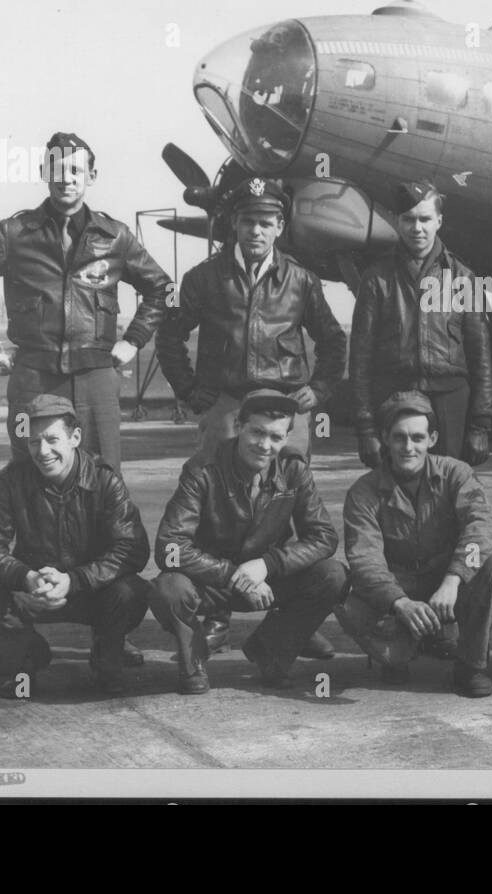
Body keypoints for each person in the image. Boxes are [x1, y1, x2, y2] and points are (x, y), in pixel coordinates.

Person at [156, 176, 347, 658]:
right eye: (247, 222)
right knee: (218, 504)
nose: (255, 231)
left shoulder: (301, 280)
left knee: (287, 504)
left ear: (280, 225)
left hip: (285, 408)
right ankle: (216, 610)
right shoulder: (203, 278)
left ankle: (295, 616)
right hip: (227, 405)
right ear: (233, 225)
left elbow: (333, 340)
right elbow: (169, 335)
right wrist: (190, 391)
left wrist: (318, 391)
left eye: (265, 222)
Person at [0, 131, 172, 473]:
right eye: (58, 170)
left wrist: (134, 339)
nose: (67, 179)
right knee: (27, 469)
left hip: (96, 379)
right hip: (31, 380)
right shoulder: (13, 234)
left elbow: (165, 289)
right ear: (43, 173)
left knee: (102, 475)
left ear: (91, 177)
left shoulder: (116, 237)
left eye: (76, 171)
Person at [147, 387, 347, 695]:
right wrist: (232, 575)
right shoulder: (203, 469)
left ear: (286, 439)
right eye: (257, 433)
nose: (265, 446)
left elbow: (324, 537)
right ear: (239, 427)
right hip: (211, 581)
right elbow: (170, 546)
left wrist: (268, 564)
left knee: (333, 575)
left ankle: (272, 651)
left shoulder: (293, 469)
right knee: (169, 589)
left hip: (268, 578)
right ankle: (194, 657)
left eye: (276, 438)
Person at [0, 395, 150, 698]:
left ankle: (106, 657)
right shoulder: (13, 479)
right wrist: (26, 577)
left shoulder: (105, 480)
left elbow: (132, 549)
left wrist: (74, 581)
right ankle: (26, 656)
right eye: (34, 442)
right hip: (34, 591)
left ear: (75, 438)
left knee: (132, 591)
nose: (42, 452)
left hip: (90, 593)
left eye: (52, 439)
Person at [337, 391, 492, 697]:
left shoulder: (456, 473)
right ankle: (401, 646)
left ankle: (471, 664)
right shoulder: (363, 491)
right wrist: (399, 601)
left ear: (432, 438)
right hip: (398, 582)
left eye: (417, 438)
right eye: (399, 438)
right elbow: (365, 559)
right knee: (347, 597)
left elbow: (482, 527)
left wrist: (454, 578)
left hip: (445, 579)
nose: (408, 447)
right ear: (385, 439)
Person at [350, 180, 492, 469]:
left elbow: (481, 357)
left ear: (439, 221)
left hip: (450, 401)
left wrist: (480, 426)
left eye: (425, 219)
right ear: (397, 221)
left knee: (448, 491)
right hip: (393, 397)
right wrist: (366, 428)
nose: (417, 228)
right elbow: (360, 359)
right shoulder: (376, 278)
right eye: (409, 219)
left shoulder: (462, 277)